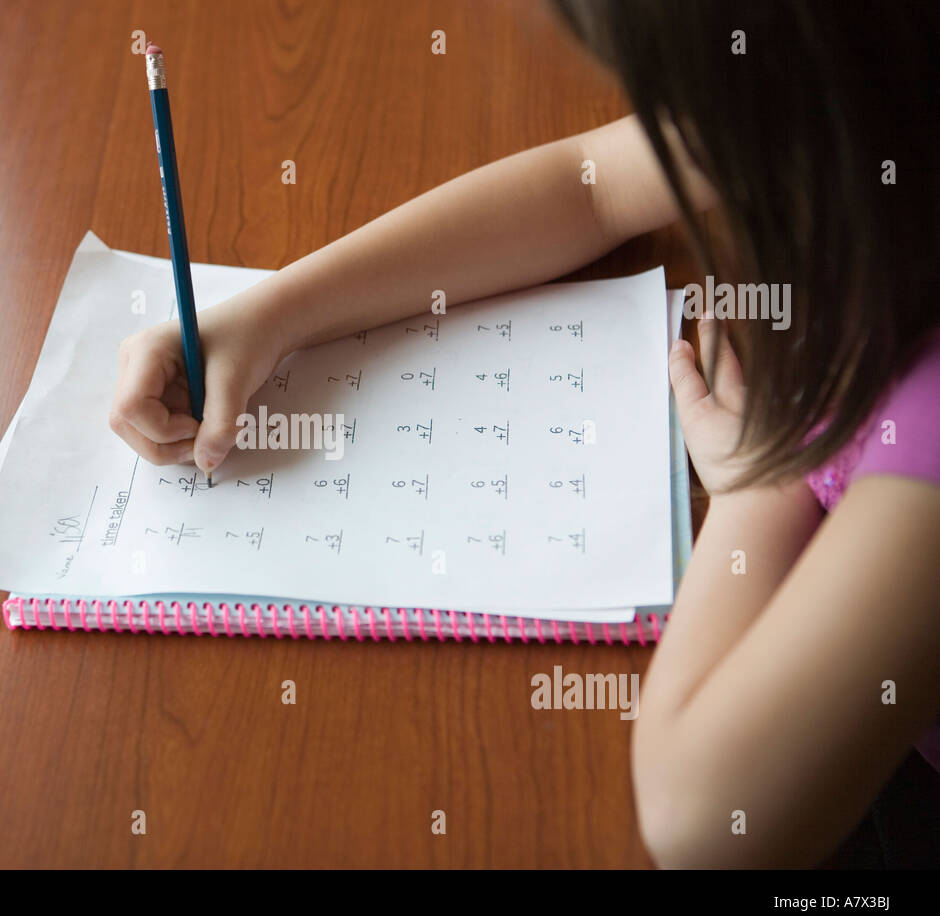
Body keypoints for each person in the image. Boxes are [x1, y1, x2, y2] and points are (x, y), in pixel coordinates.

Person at [108, 1, 940, 866]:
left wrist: (757, 481)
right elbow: (589, 181)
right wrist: (276, 314)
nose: (687, 138)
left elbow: (704, 822)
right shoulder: (848, 101)